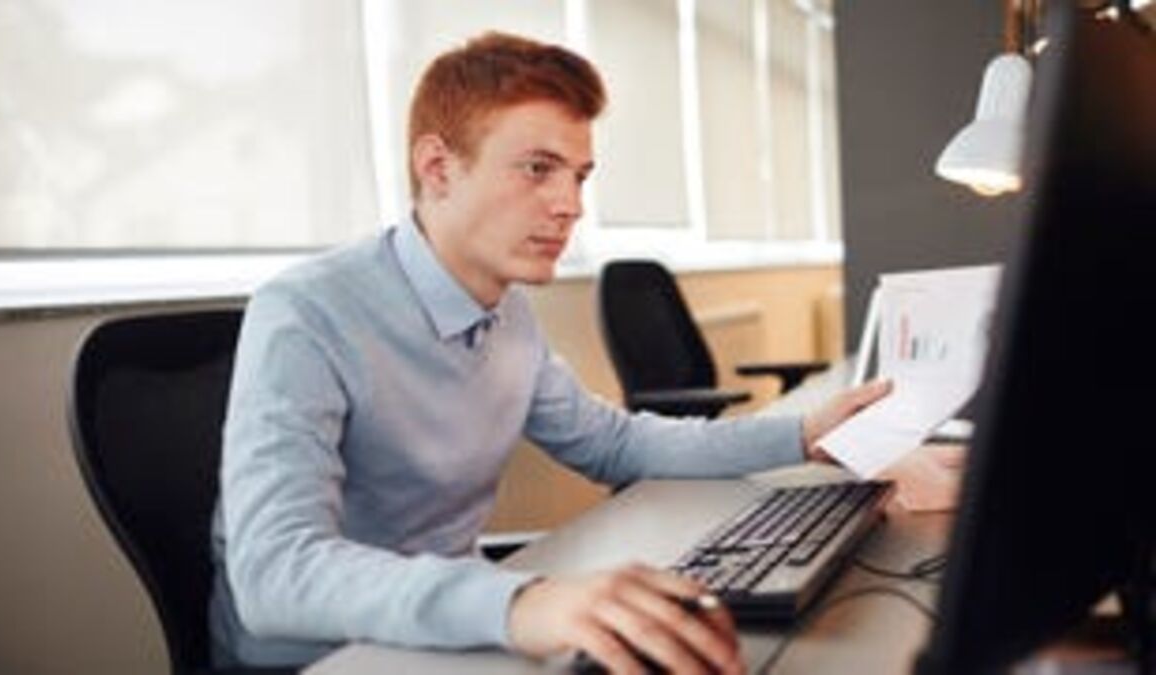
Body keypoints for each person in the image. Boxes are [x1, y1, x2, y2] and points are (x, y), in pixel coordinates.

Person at [209, 31, 890, 674]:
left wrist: (802, 435)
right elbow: (274, 573)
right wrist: (523, 600)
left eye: (579, 175)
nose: (570, 205)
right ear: (438, 167)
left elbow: (613, 443)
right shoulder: (306, 312)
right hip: (328, 655)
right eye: (538, 169)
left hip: (451, 625)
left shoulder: (508, 313)